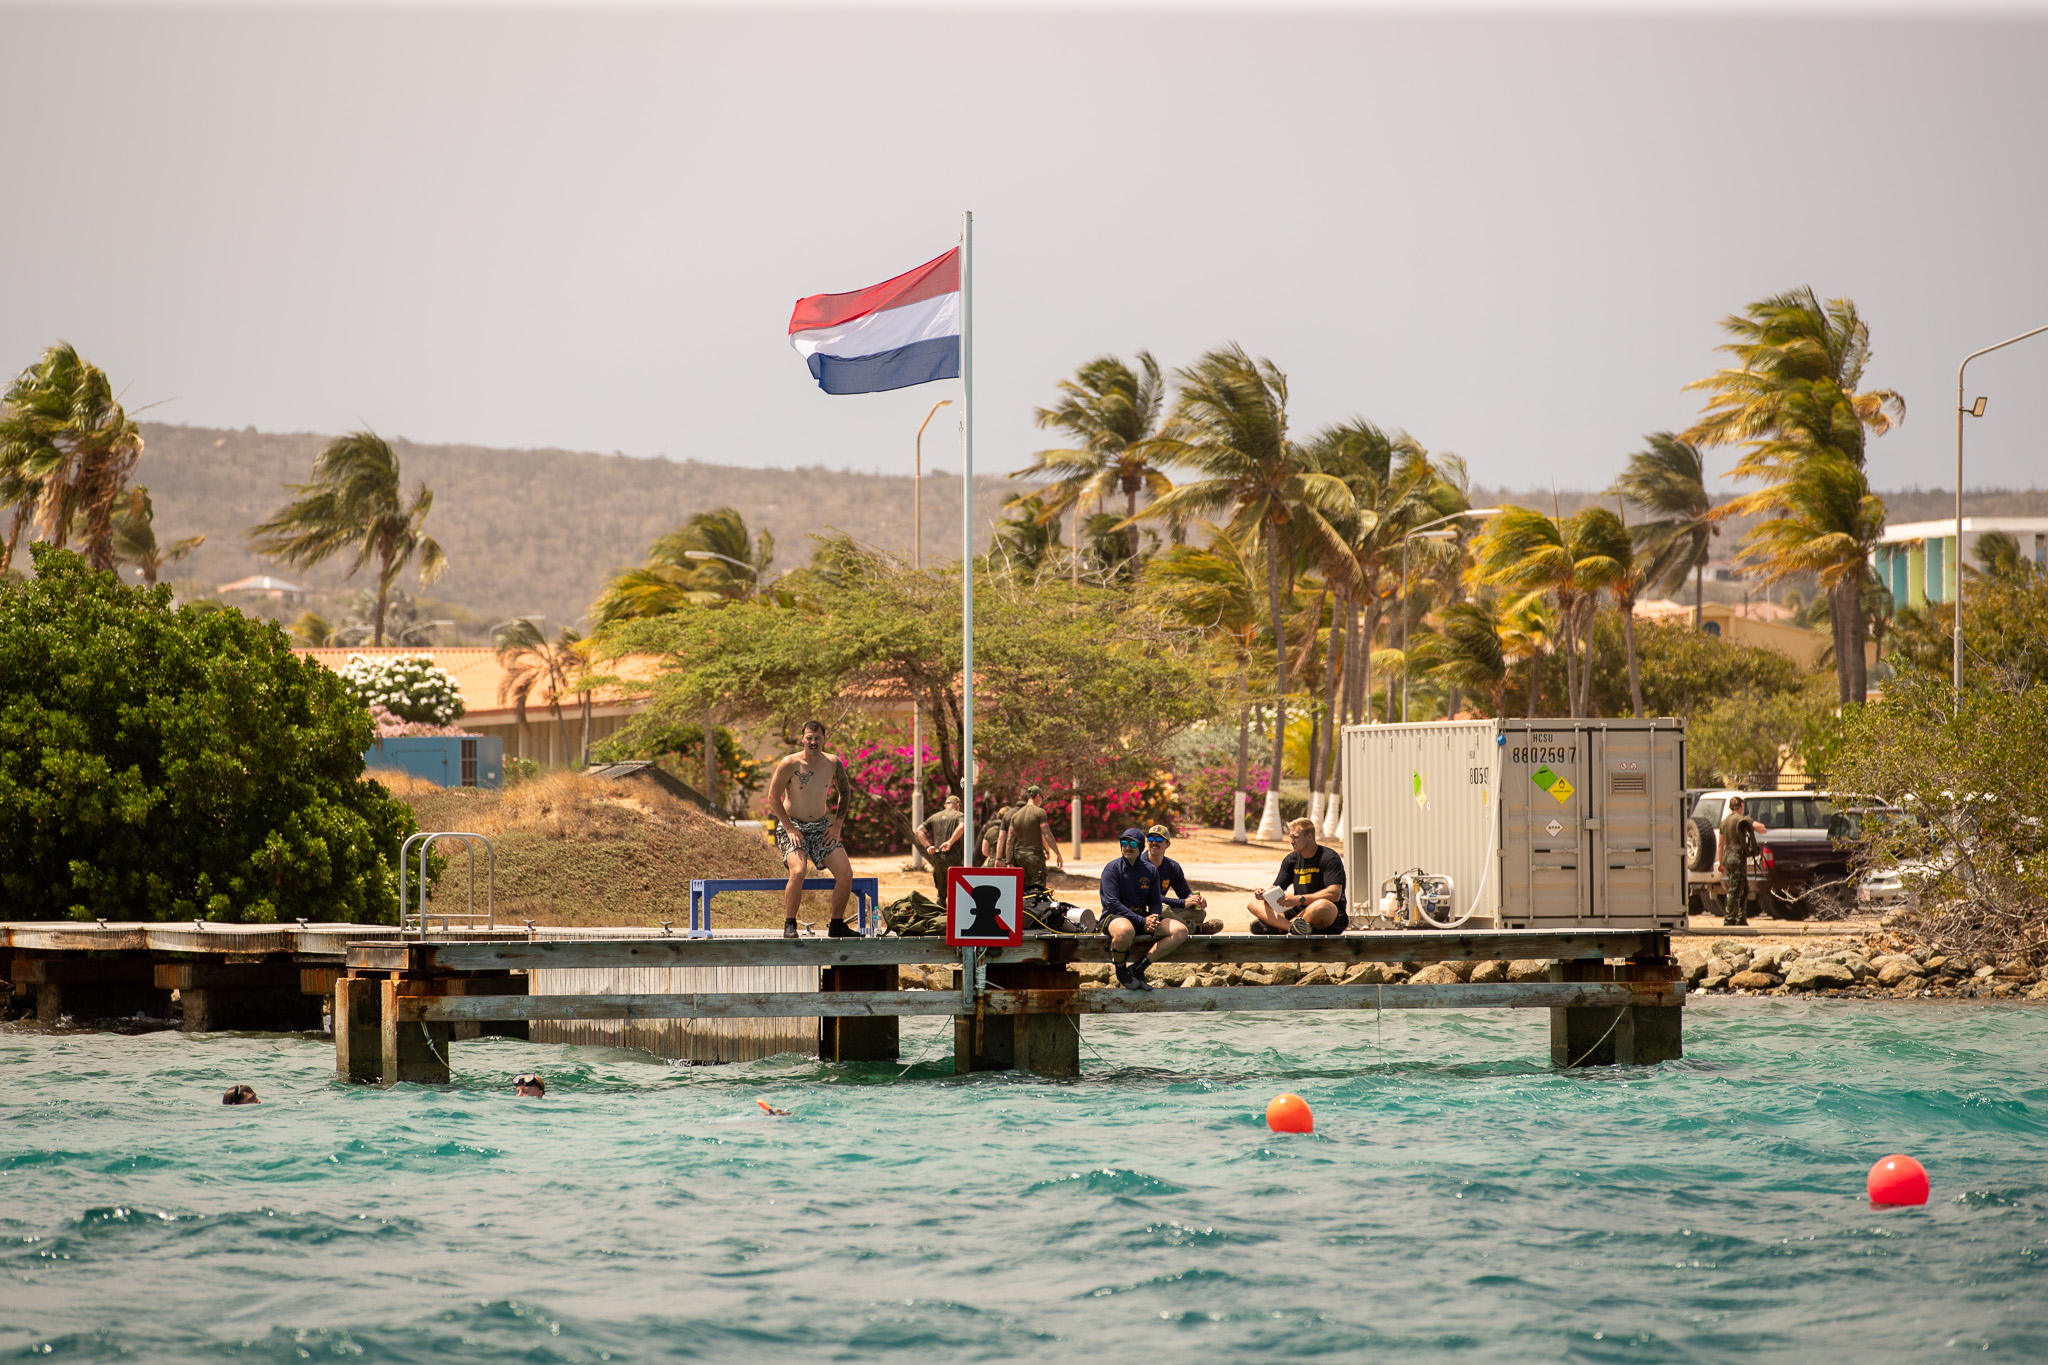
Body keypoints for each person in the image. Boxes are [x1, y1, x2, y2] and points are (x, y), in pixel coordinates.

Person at [767, 719, 858, 939]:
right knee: (798, 871)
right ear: (803, 738)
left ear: (824, 739)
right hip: (794, 825)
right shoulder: (790, 762)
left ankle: (836, 924)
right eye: (810, 737)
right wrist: (788, 828)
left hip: (822, 826)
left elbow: (845, 793)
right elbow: (772, 797)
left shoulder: (833, 763)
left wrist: (837, 825)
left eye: (818, 738)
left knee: (845, 873)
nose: (814, 742)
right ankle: (790, 924)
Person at [1099, 826, 1190, 991]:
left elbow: (1155, 900)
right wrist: (1142, 921)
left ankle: (1139, 967)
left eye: (1132, 844)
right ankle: (1121, 971)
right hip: (1115, 917)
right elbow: (1112, 903)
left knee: (1180, 930)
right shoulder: (1112, 869)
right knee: (1125, 931)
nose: (1127, 847)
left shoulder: (1150, 870)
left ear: (1140, 846)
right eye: (1124, 843)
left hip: (1143, 918)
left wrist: (1154, 917)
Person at [1247, 817, 1348, 934]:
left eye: (1295, 837)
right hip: (1299, 914)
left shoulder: (1329, 857)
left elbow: (1334, 893)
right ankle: (1292, 928)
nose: (1291, 841)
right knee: (1254, 903)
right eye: (1290, 837)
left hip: (1328, 916)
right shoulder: (1291, 860)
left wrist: (1300, 899)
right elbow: (1275, 888)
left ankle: (1278, 927)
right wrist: (1263, 894)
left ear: (1309, 836)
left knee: (1322, 906)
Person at [1144, 824, 1222, 935]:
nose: (1154, 842)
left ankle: (1169, 926)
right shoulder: (1141, 865)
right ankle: (1196, 929)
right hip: (1143, 909)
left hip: (1161, 909)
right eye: (1151, 838)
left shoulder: (1172, 867)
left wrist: (1195, 899)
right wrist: (1183, 903)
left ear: (1168, 844)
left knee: (1199, 913)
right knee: (1164, 909)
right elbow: (1152, 897)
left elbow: (1184, 892)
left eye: (1159, 839)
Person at [1718, 795, 1767, 927]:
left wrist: (1720, 862)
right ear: (1741, 806)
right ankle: (1729, 919)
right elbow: (1761, 829)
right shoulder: (1742, 819)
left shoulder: (1724, 822)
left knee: (1744, 888)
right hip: (1737, 858)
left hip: (1728, 858)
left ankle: (1741, 918)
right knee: (1735, 889)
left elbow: (1720, 845)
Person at [1006, 784, 1064, 892]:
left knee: (1023, 890)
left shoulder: (1016, 815)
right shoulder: (1039, 812)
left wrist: (1008, 862)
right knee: (1038, 889)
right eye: (1041, 798)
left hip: (1019, 857)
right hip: (1034, 857)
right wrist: (1057, 854)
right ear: (1038, 796)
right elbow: (1047, 834)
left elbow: (1009, 840)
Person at [915, 793, 966, 898]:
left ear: (945, 805)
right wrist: (950, 842)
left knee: (941, 893)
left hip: (937, 857)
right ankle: (955, 913)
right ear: (957, 805)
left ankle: (942, 912)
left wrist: (928, 846)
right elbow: (962, 826)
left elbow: (919, 831)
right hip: (953, 857)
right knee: (957, 889)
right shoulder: (960, 815)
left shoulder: (934, 817)